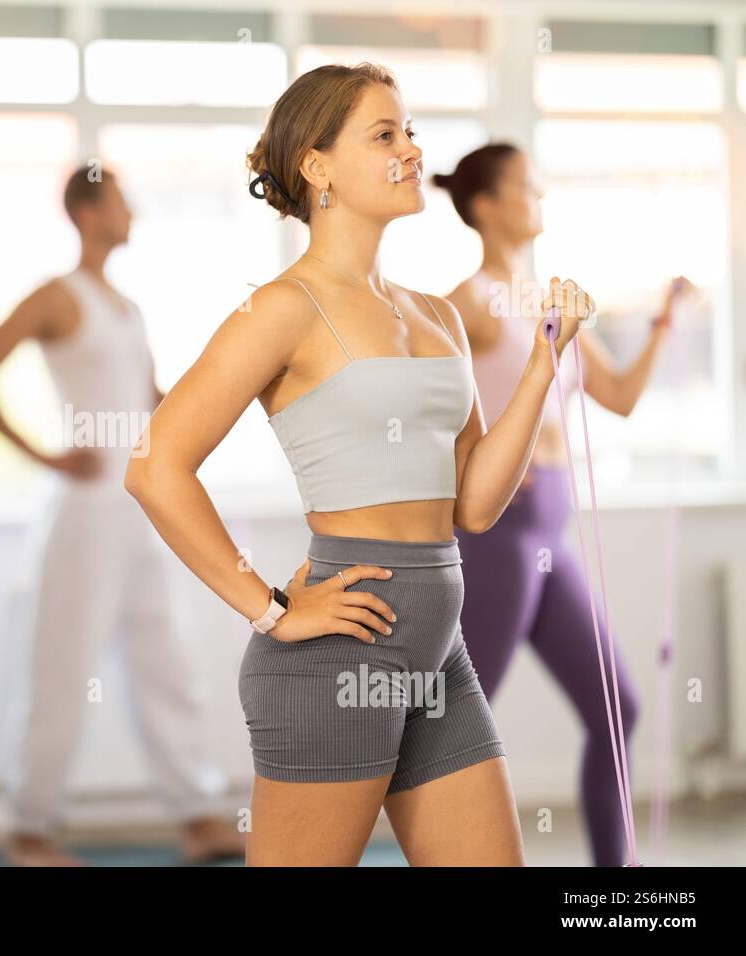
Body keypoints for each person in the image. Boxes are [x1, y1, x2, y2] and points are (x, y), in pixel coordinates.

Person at [124, 63, 594, 866]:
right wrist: (270, 607)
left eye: (409, 131)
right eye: (384, 135)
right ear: (318, 167)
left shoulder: (436, 314)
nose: (410, 149)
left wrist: (544, 366)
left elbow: (474, 503)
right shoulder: (280, 309)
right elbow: (154, 465)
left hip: (437, 648)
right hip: (336, 652)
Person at [0, 167, 243, 866]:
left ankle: (202, 815)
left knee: (166, 659)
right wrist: (47, 457)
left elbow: (153, 401)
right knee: (61, 666)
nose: (133, 211)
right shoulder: (58, 296)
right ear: (89, 213)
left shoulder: (127, 306)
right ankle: (31, 829)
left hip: (141, 509)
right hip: (83, 514)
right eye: (121, 200)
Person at [435, 142, 683, 865]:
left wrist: (664, 322)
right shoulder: (470, 303)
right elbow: (432, 408)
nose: (538, 193)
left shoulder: (553, 303)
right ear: (486, 206)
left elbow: (621, 400)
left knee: (618, 710)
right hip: (501, 531)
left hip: (555, 533)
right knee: (457, 724)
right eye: (524, 185)